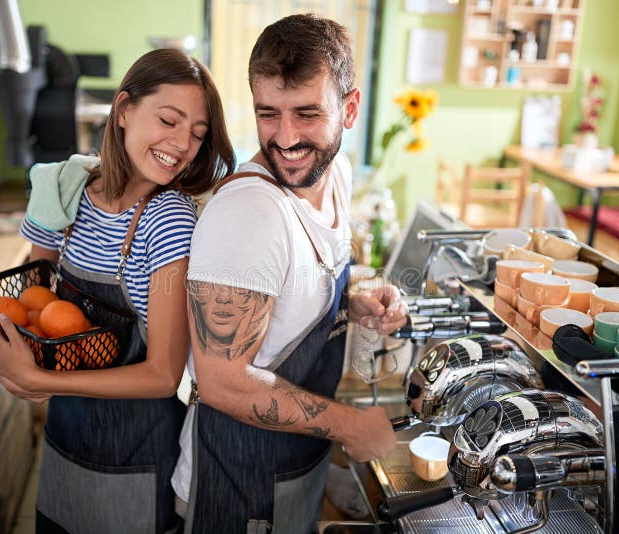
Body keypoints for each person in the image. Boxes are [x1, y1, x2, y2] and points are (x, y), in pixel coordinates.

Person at [0, 48, 235, 533]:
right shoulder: (66, 190)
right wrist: (11, 352)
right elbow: (35, 304)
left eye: (197, 135)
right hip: (64, 444)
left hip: (136, 460)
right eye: (168, 120)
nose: (181, 144)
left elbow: (162, 374)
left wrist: (43, 382)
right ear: (123, 111)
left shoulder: (169, 221)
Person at [171, 14, 407, 533]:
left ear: (349, 109)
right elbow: (222, 381)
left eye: (306, 113)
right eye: (268, 114)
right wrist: (348, 425)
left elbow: (296, 289)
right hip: (233, 487)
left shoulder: (336, 176)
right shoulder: (249, 214)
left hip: (296, 466)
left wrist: (353, 300)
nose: (286, 138)